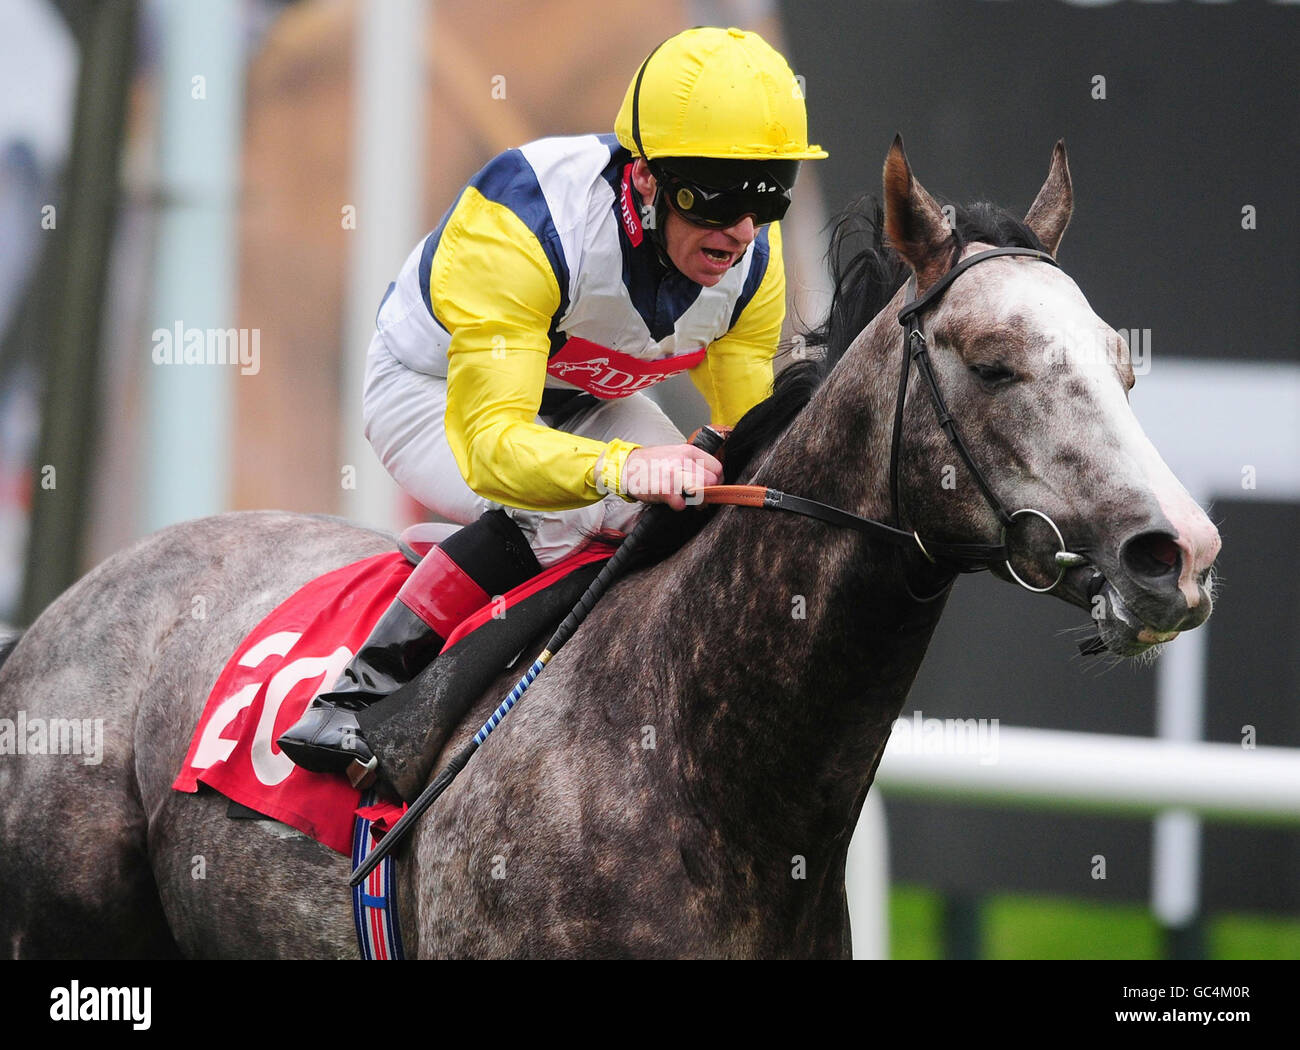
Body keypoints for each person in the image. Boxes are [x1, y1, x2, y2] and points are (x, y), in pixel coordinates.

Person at [277, 26, 827, 786]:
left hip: (581, 402)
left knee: (696, 515)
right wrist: (628, 467)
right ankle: (359, 693)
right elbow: (496, 449)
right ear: (643, 180)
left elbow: (747, 435)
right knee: (562, 506)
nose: (741, 230)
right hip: (433, 396)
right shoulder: (528, 223)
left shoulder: (752, 265)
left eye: (767, 194)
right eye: (722, 192)